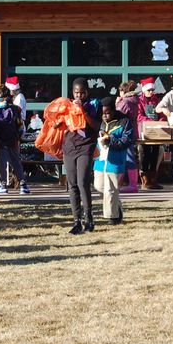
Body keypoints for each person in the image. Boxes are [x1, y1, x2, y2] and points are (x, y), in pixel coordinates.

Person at [63, 78, 101, 234]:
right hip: (70, 146)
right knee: (72, 185)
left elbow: (96, 126)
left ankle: (89, 219)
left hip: (86, 145)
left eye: (82, 92)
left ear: (87, 91)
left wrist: (82, 111)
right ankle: (76, 221)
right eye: (76, 93)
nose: (79, 96)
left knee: (82, 182)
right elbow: (59, 123)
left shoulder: (94, 104)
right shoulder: (68, 106)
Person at [93, 98, 134, 224]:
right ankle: (116, 207)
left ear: (114, 110)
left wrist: (111, 140)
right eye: (102, 113)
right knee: (99, 187)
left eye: (108, 113)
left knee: (111, 189)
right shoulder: (98, 121)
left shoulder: (124, 121)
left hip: (115, 160)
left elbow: (127, 140)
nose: (105, 116)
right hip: (100, 160)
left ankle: (113, 217)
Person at [0, 85, 29, 194]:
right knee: (16, 162)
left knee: (2, 163)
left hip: (0, 140)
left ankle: (3, 185)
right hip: (13, 139)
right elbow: (20, 125)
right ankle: (23, 185)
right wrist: (19, 136)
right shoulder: (15, 108)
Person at [136, 78, 164, 190]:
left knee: (155, 154)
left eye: (152, 90)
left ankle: (153, 179)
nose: (151, 92)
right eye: (149, 90)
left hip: (156, 132)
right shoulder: (139, 101)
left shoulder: (156, 100)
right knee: (144, 154)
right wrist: (150, 122)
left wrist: (162, 121)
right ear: (144, 90)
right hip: (144, 132)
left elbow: (161, 113)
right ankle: (145, 180)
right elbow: (139, 116)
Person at [115, 80, 140, 193]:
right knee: (128, 156)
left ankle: (131, 185)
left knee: (127, 158)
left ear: (123, 91)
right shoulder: (135, 100)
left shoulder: (125, 102)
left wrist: (117, 103)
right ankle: (131, 183)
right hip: (133, 130)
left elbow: (116, 115)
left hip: (124, 131)